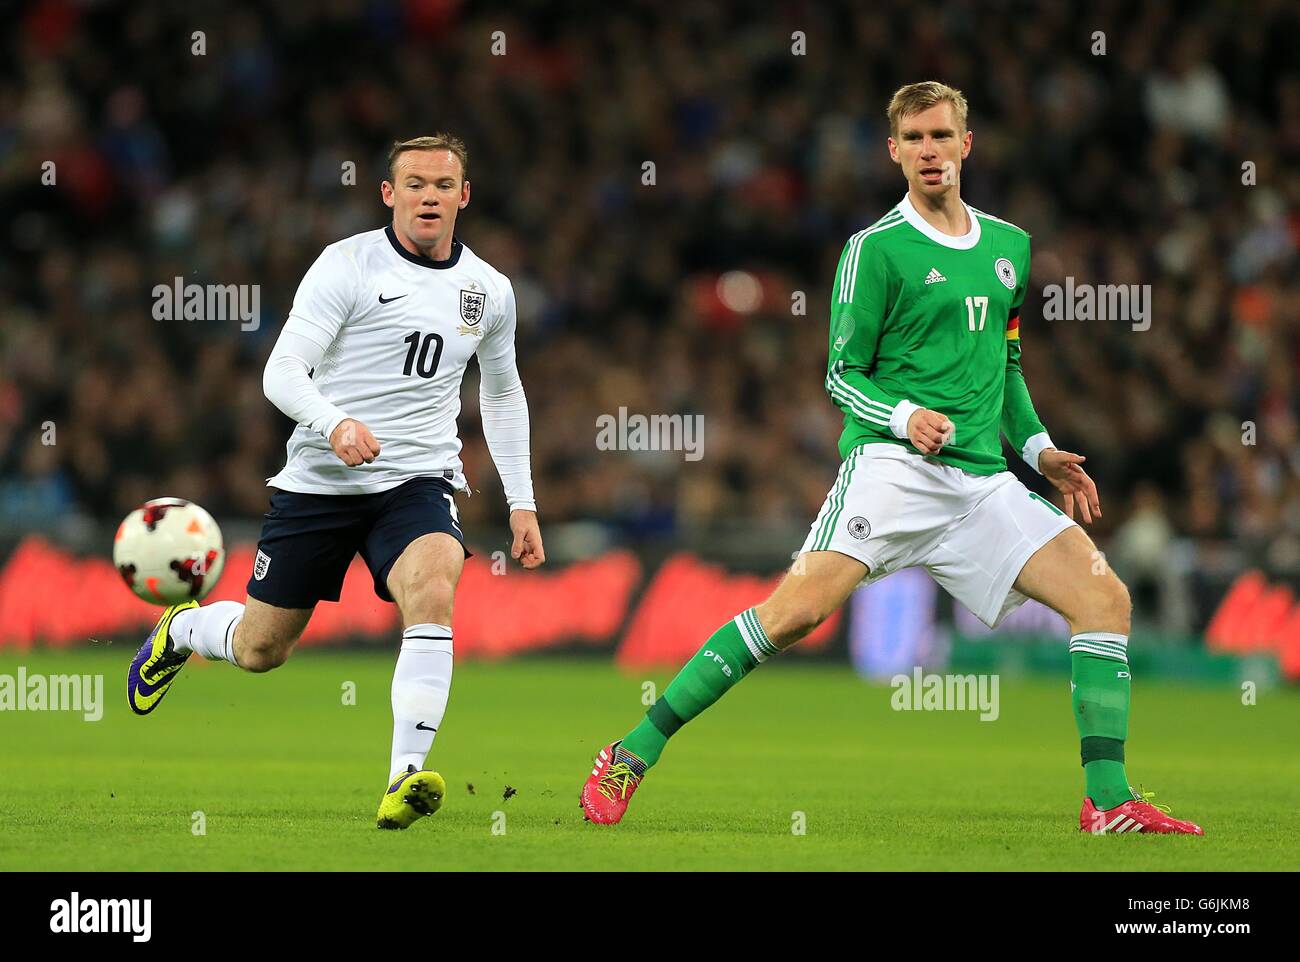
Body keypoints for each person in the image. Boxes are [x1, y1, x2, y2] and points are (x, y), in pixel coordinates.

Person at [579, 83, 1202, 836]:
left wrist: (1038, 450)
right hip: (894, 470)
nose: (930, 150)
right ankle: (633, 750)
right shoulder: (873, 251)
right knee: (793, 614)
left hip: (982, 483)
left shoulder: (1010, 247)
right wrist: (908, 418)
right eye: (914, 138)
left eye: (941, 135)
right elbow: (841, 375)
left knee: (1106, 600)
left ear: (966, 143)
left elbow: (1004, 367)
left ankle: (1106, 801)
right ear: (895, 151)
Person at [128, 134, 545, 830]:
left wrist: (522, 499)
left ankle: (403, 778)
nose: (429, 196)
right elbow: (282, 370)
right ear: (389, 194)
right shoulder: (346, 265)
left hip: (416, 479)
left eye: (443, 185)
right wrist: (334, 423)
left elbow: (502, 393)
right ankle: (184, 631)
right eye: (414, 184)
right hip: (321, 481)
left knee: (436, 582)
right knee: (263, 649)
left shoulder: (489, 291)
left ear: (464, 196)